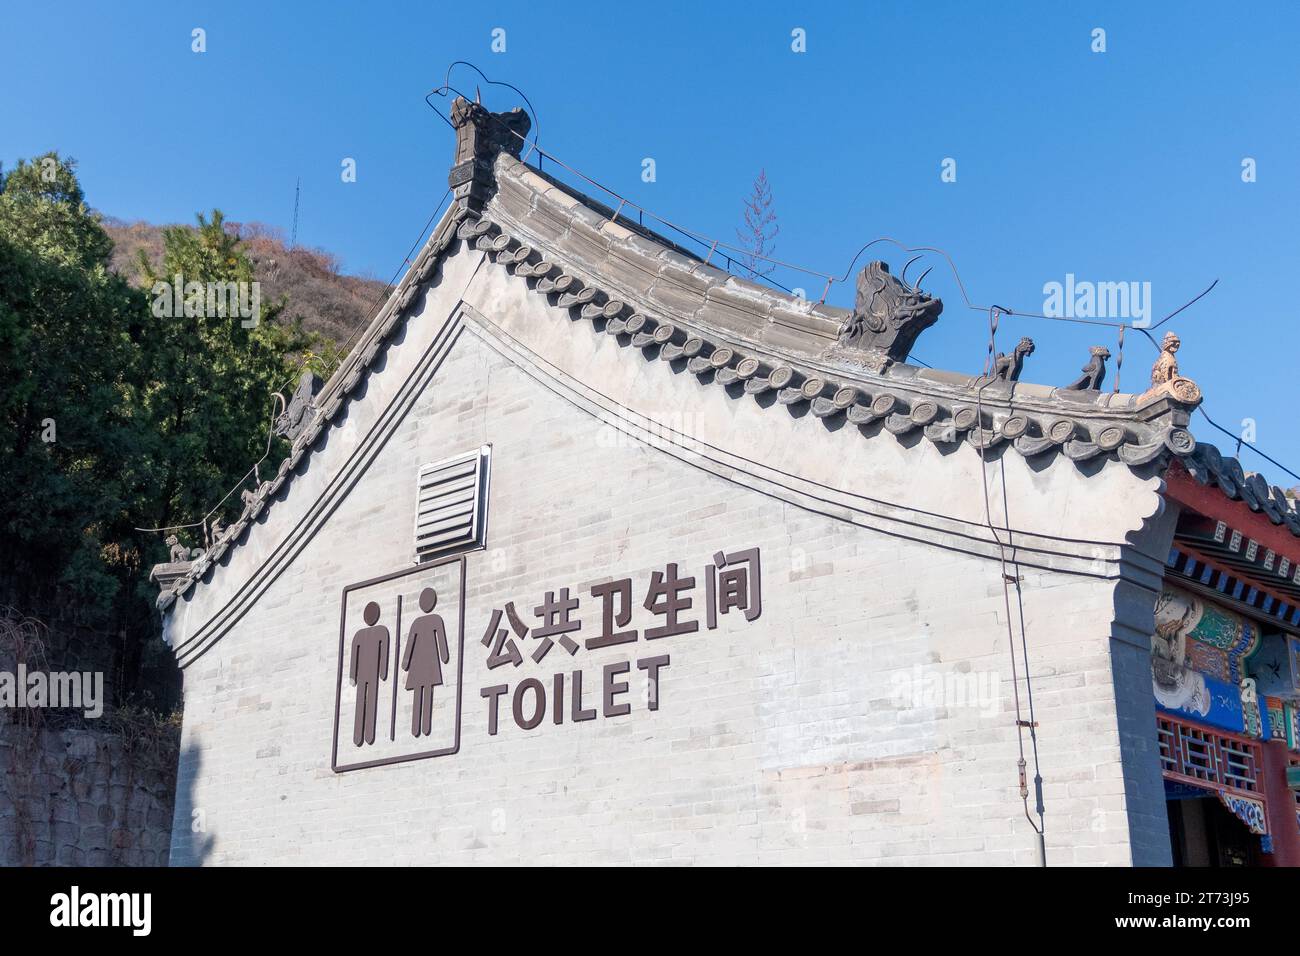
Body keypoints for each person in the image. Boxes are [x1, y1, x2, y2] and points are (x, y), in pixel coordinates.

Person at [402, 588, 450, 738]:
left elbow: (440, 639)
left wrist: (405, 662)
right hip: (426, 660)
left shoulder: (429, 620)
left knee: (423, 690)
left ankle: (422, 726)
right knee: (422, 691)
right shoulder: (431, 620)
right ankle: (419, 727)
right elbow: (411, 642)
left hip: (425, 660)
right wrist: (444, 656)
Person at [349, 601, 389, 746]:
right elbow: (354, 655)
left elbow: (384, 653)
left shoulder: (381, 631)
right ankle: (358, 735)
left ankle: (369, 734)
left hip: (372, 673)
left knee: (370, 699)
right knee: (362, 700)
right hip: (364, 673)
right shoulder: (360, 635)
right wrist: (352, 676)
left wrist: (383, 671)